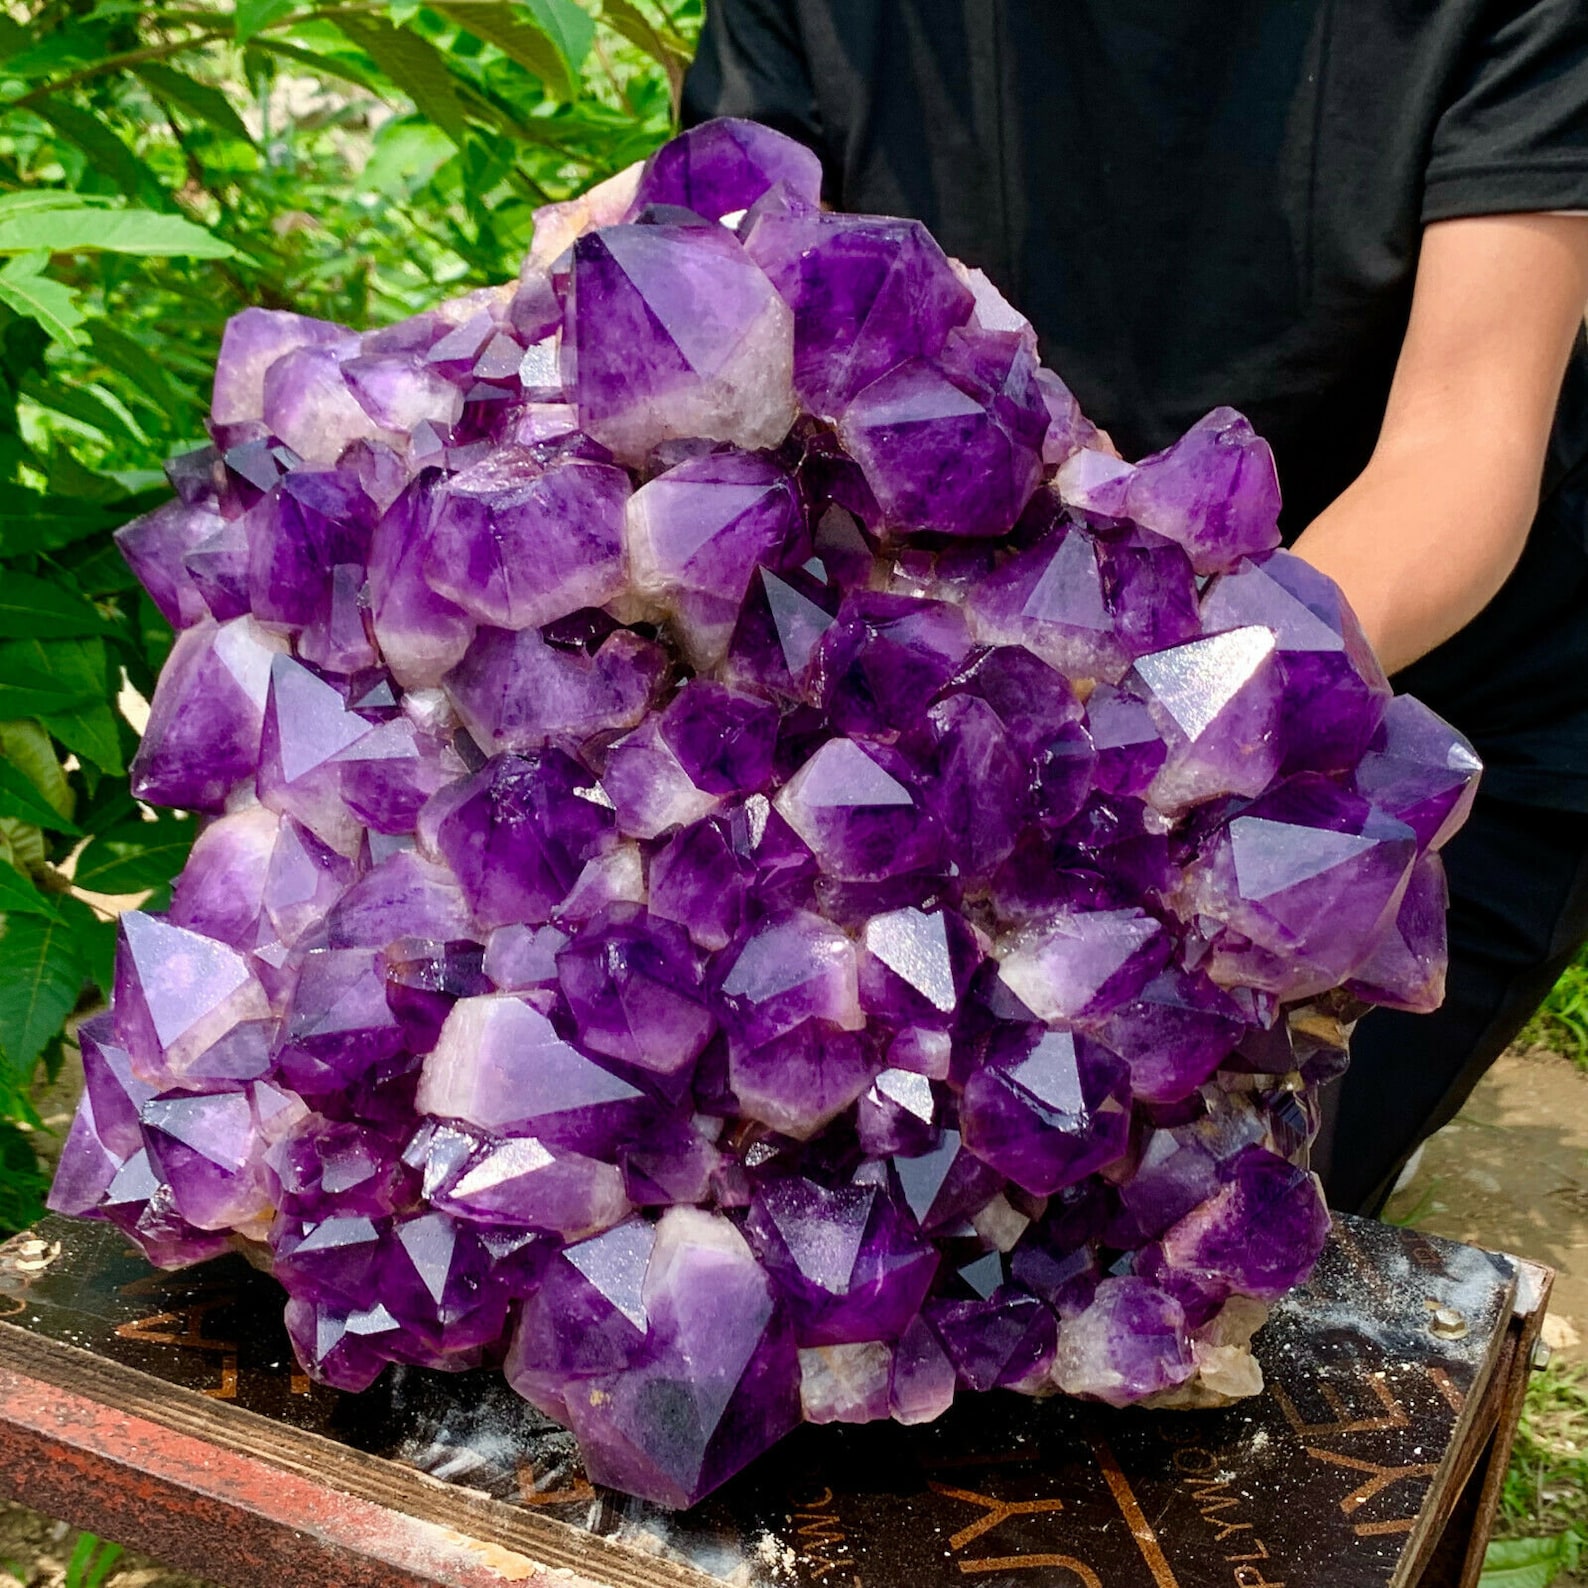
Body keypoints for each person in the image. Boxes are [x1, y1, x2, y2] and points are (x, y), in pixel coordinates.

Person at [681, 1, 1588, 1214]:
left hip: (1404, 715)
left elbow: (1464, 435)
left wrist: (1146, 720)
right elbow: (730, 295)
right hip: (951, 697)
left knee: (1196, 1214)